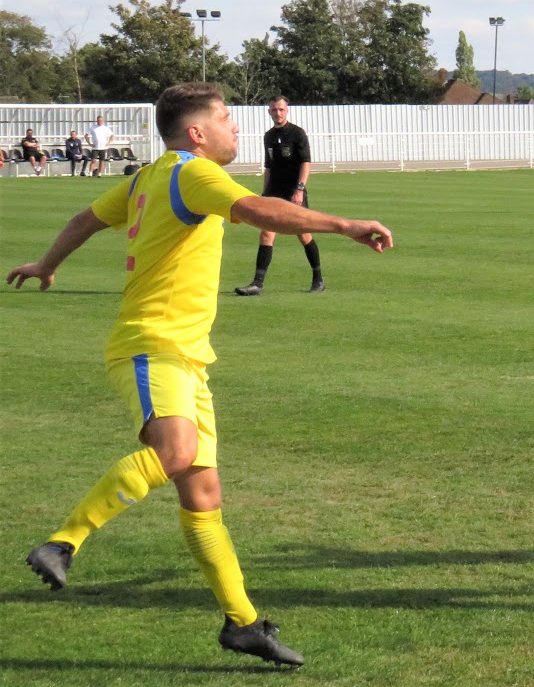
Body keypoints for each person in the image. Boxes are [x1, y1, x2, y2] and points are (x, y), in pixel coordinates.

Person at [9, 82, 393, 668]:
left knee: (203, 492)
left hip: (187, 355)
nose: (236, 129)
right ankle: (64, 542)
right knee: (174, 450)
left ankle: (242, 623)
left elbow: (85, 219)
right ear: (196, 132)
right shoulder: (191, 172)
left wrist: (46, 263)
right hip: (151, 346)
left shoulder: (147, 176)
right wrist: (342, 224)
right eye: (226, 120)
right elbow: (258, 208)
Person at [235, 96, 324, 295]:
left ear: (287, 110)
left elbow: (306, 162)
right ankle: (257, 284)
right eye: (274, 110)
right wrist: (264, 193)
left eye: (281, 109)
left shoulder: (297, 133)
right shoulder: (268, 136)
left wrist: (300, 189)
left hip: (293, 190)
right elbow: (268, 166)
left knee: (303, 233)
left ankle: (318, 279)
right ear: (269, 112)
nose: (278, 113)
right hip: (274, 190)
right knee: (266, 232)